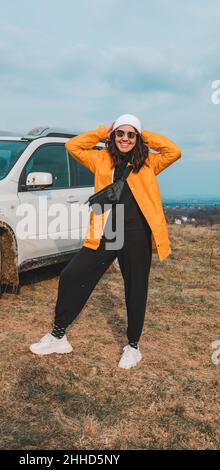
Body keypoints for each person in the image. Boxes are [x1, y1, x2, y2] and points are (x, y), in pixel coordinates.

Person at [29, 114, 181, 369]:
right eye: (120, 134)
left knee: (135, 287)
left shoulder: (149, 162)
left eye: (131, 134)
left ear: (138, 138)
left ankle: (133, 346)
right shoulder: (101, 158)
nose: (125, 139)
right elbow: (73, 146)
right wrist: (103, 131)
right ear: (113, 136)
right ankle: (58, 336)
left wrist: (143, 132)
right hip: (110, 228)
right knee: (72, 275)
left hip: (137, 231)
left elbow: (173, 151)